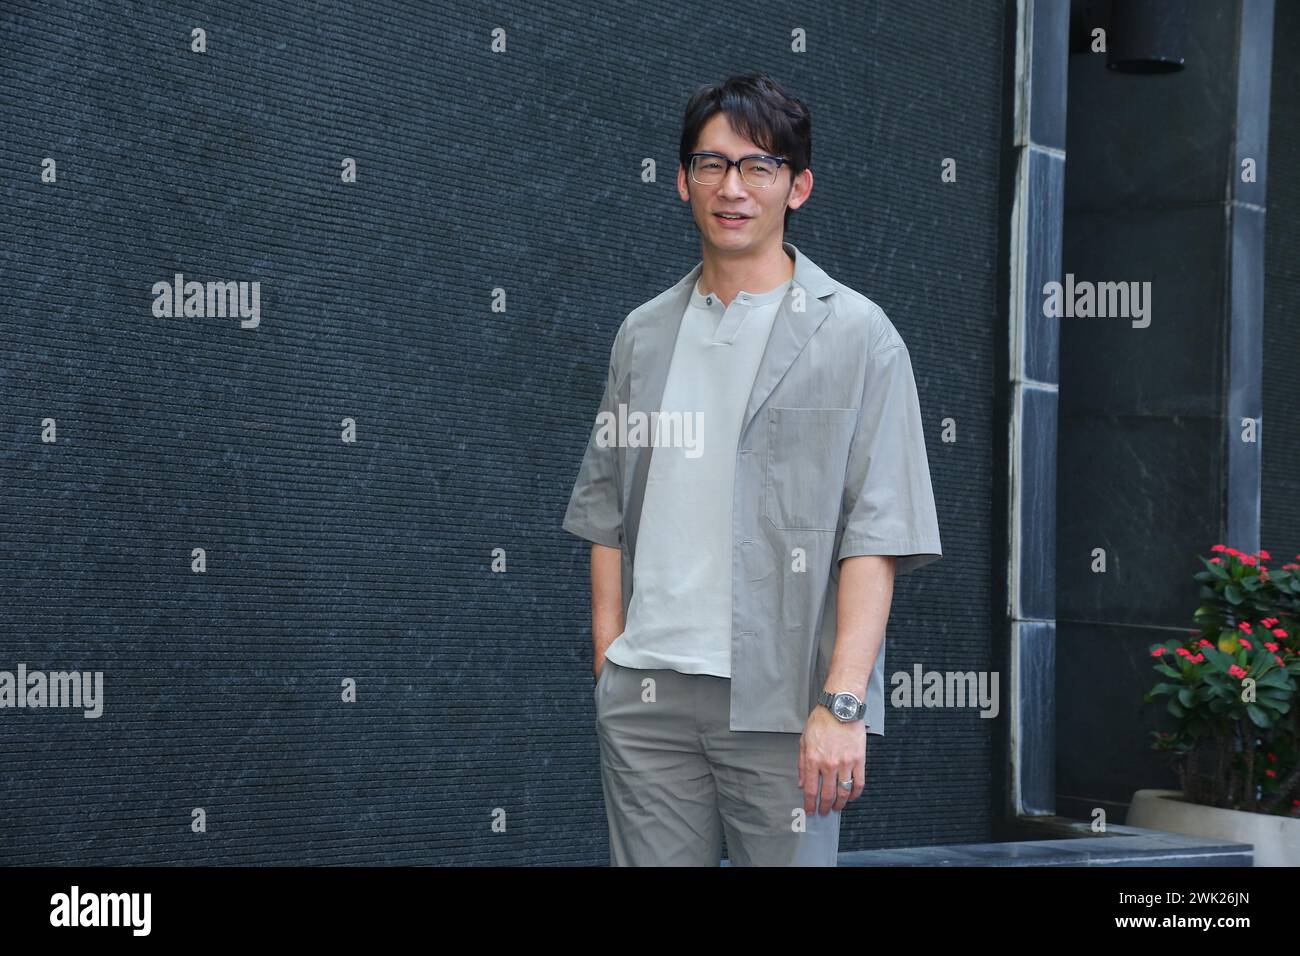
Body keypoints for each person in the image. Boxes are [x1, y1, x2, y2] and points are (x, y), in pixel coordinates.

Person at [563, 72, 942, 866]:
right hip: (648, 696)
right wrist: (610, 662)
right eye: (712, 164)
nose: (733, 187)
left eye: (759, 166)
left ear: (797, 186)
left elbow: (879, 532)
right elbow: (604, 508)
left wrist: (841, 705)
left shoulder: (860, 337)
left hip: (786, 706)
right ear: (682, 181)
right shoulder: (644, 334)